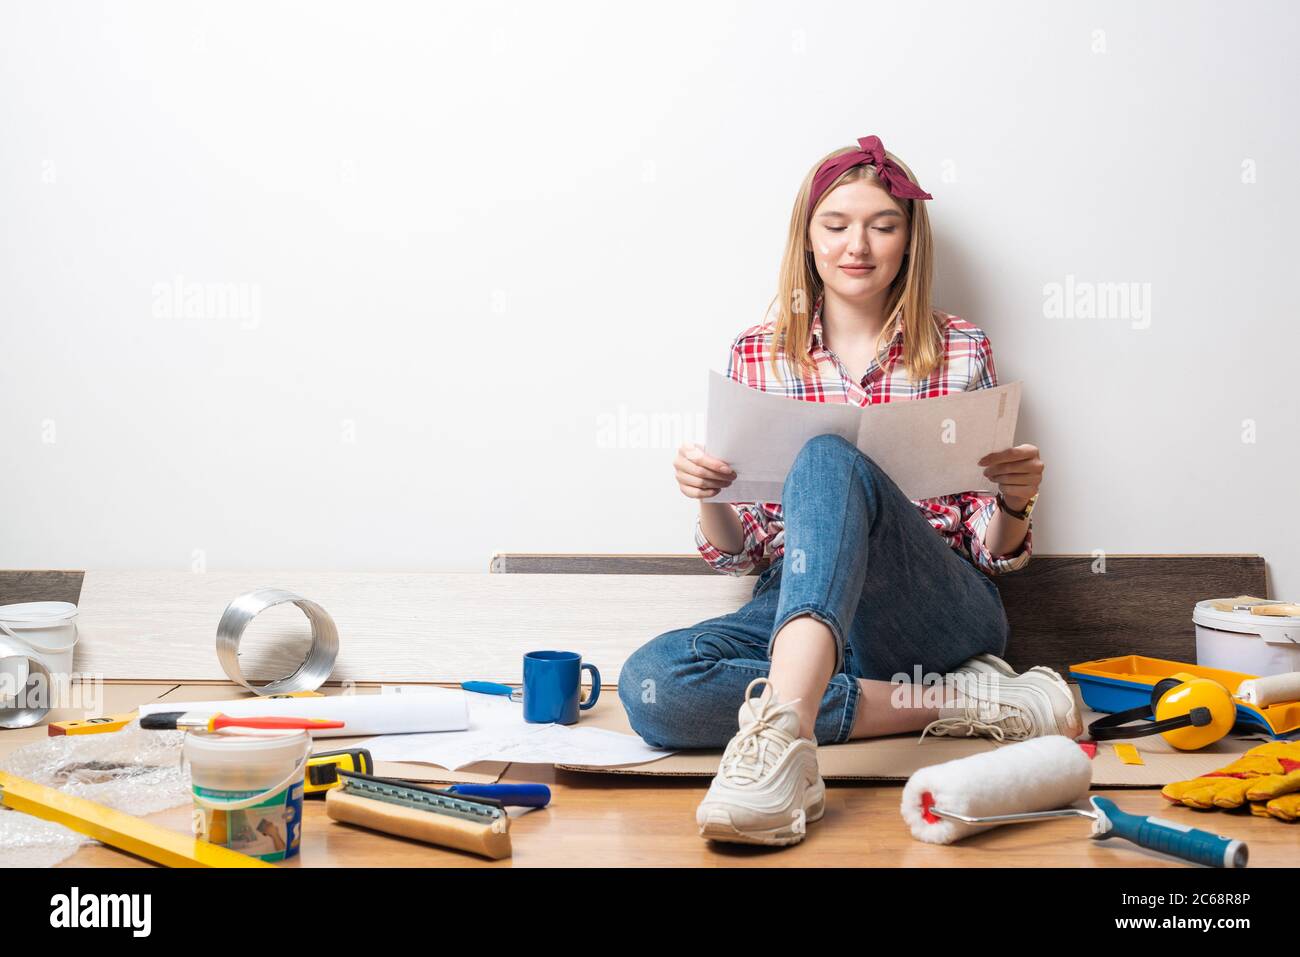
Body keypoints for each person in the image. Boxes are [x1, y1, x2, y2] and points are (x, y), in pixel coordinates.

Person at [617, 134, 1080, 848]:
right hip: (801, 597)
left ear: (908, 241)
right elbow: (746, 554)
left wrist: (1016, 500)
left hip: (930, 604)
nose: (856, 245)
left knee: (828, 457)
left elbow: (991, 553)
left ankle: (783, 744)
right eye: (835, 226)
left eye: (882, 225)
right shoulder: (756, 350)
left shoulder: (961, 347)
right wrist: (708, 494)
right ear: (807, 238)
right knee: (653, 684)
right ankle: (960, 702)